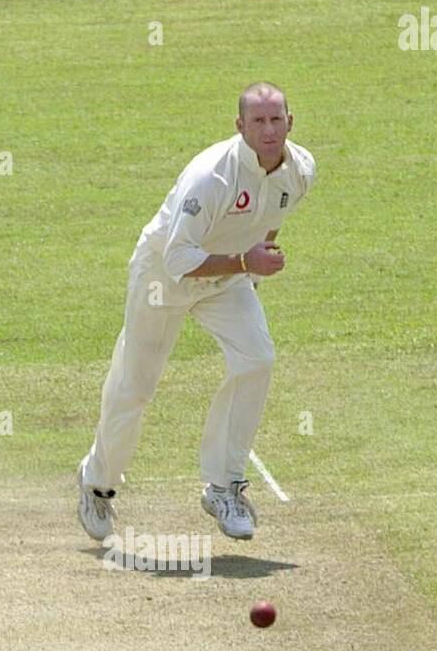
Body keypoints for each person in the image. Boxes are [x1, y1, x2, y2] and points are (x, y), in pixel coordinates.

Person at [77, 83, 316, 543]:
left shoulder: (301, 169)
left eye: (276, 119)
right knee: (136, 386)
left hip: (227, 275)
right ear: (240, 127)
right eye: (258, 121)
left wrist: (251, 264)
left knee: (257, 358)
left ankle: (225, 488)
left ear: (291, 121)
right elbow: (178, 260)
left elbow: (271, 212)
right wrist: (246, 262)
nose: (269, 130)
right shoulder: (212, 178)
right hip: (163, 277)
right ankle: (97, 483)